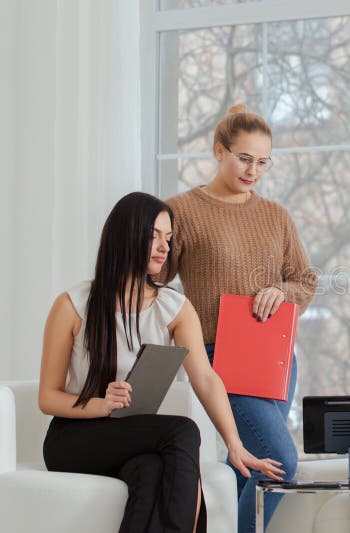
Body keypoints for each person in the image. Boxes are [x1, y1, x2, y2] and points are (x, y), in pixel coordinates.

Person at [40, 192, 285, 533]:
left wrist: (235, 444)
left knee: (151, 471)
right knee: (182, 430)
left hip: (131, 436)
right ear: (125, 235)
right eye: (154, 235)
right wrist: (100, 405)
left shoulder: (174, 307)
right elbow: (47, 398)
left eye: (168, 238)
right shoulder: (72, 305)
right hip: (73, 438)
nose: (164, 247)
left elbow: (205, 377)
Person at [161, 105, 318, 533]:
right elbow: (154, 277)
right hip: (219, 357)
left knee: (246, 468)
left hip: (276, 358)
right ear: (219, 151)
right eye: (244, 158)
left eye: (263, 162)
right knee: (281, 463)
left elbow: (304, 279)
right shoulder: (182, 211)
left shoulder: (275, 216)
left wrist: (280, 291)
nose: (253, 170)